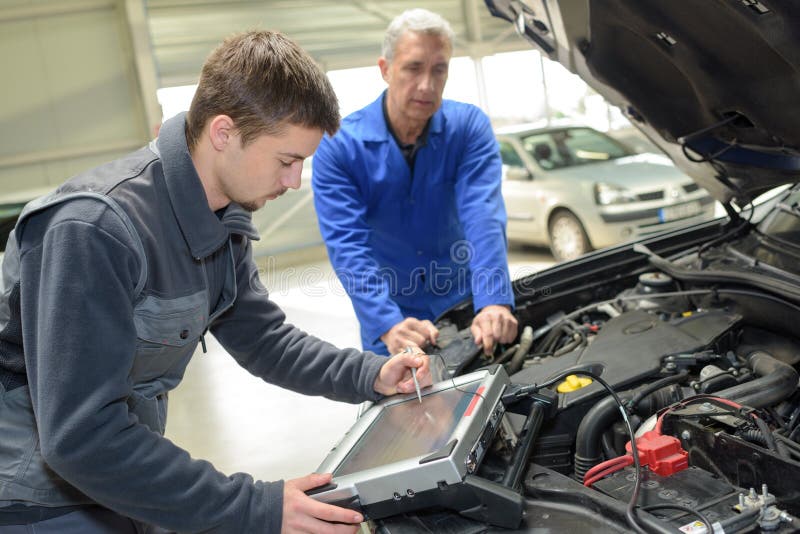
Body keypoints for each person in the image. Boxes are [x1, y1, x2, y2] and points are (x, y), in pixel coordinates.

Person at [0, 30, 430, 534]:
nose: (294, 182)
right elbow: (81, 435)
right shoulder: (96, 230)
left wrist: (372, 375)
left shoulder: (221, 220)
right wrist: (257, 507)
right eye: (287, 161)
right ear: (224, 132)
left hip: (120, 470)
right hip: (37, 497)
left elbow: (264, 340)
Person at [312, 8, 519, 357]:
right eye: (413, 68)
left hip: (466, 302)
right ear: (385, 69)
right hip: (391, 311)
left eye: (439, 69)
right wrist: (385, 322)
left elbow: (483, 215)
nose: (427, 84)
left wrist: (493, 300)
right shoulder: (340, 146)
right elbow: (347, 245)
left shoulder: (469, 128)